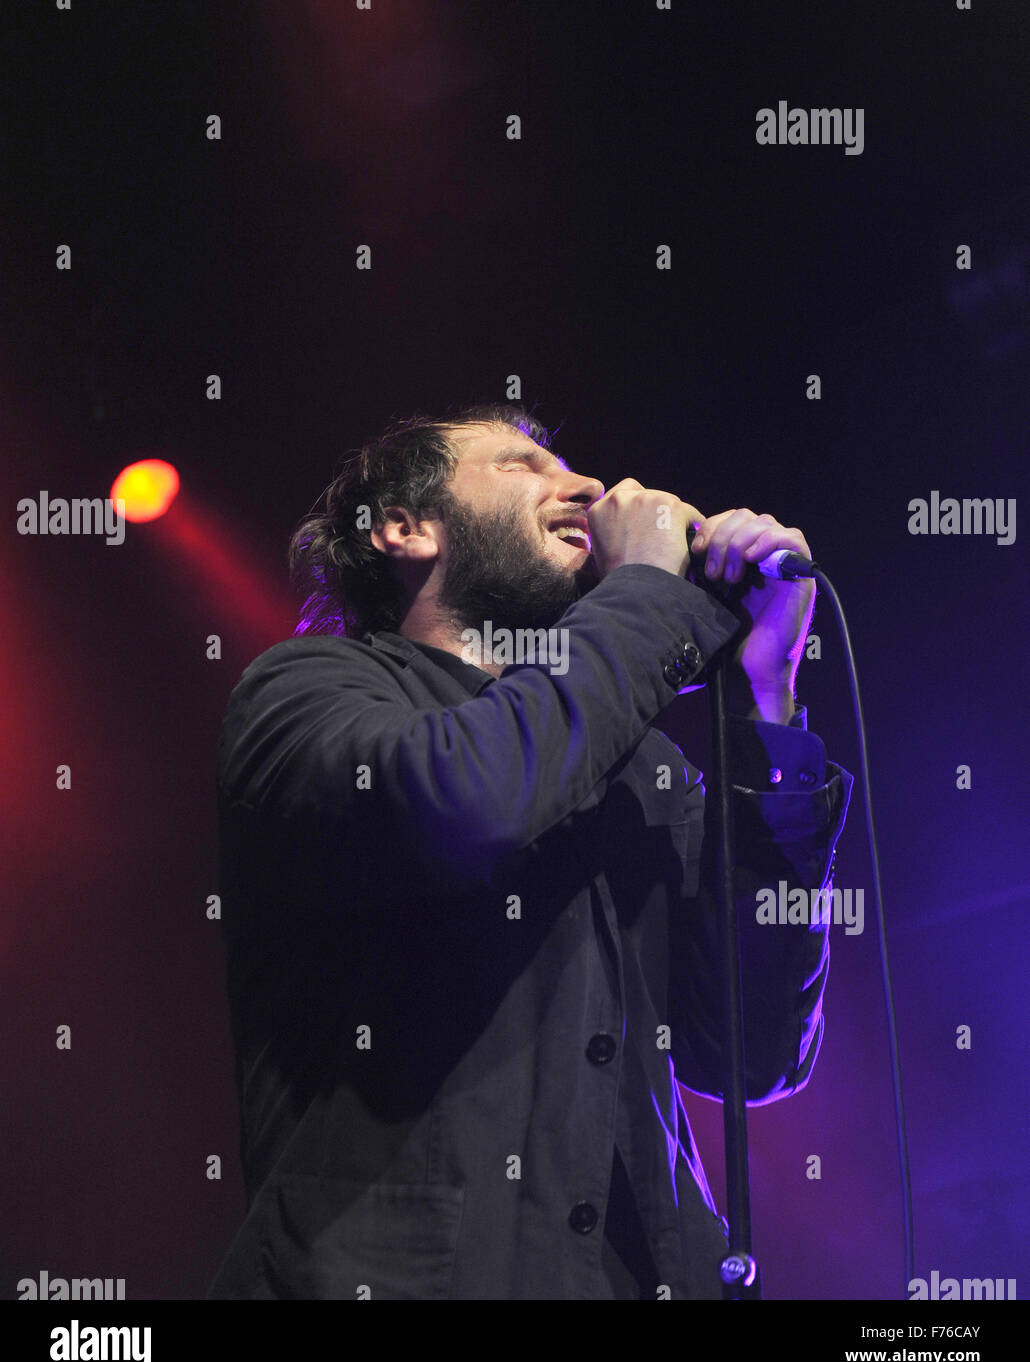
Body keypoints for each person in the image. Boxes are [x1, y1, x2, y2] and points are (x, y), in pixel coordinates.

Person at [207, 403, 852, 1300]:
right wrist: (649, 598)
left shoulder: (640, 767)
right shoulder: (306, 691)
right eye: (523, 466)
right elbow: (468, 800)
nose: (585, 486)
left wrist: (765, 694)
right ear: (403, 529)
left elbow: (749, 1052)